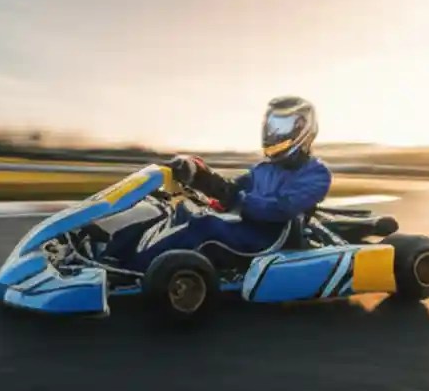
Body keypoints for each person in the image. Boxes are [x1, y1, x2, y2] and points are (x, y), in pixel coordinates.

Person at [124, 96, 332, 272]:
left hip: (269, 241)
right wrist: (199, 175)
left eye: (281, 126)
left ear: (302, 129)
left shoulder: (317, 174)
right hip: (245, 227)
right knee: (175, 211)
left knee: (204, 225)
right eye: (271, 125)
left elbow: (280, 209)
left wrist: (238, 200)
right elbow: (231, 188)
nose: (273, 133)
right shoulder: (264, 169)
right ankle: (112, 254)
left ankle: (133, 269)